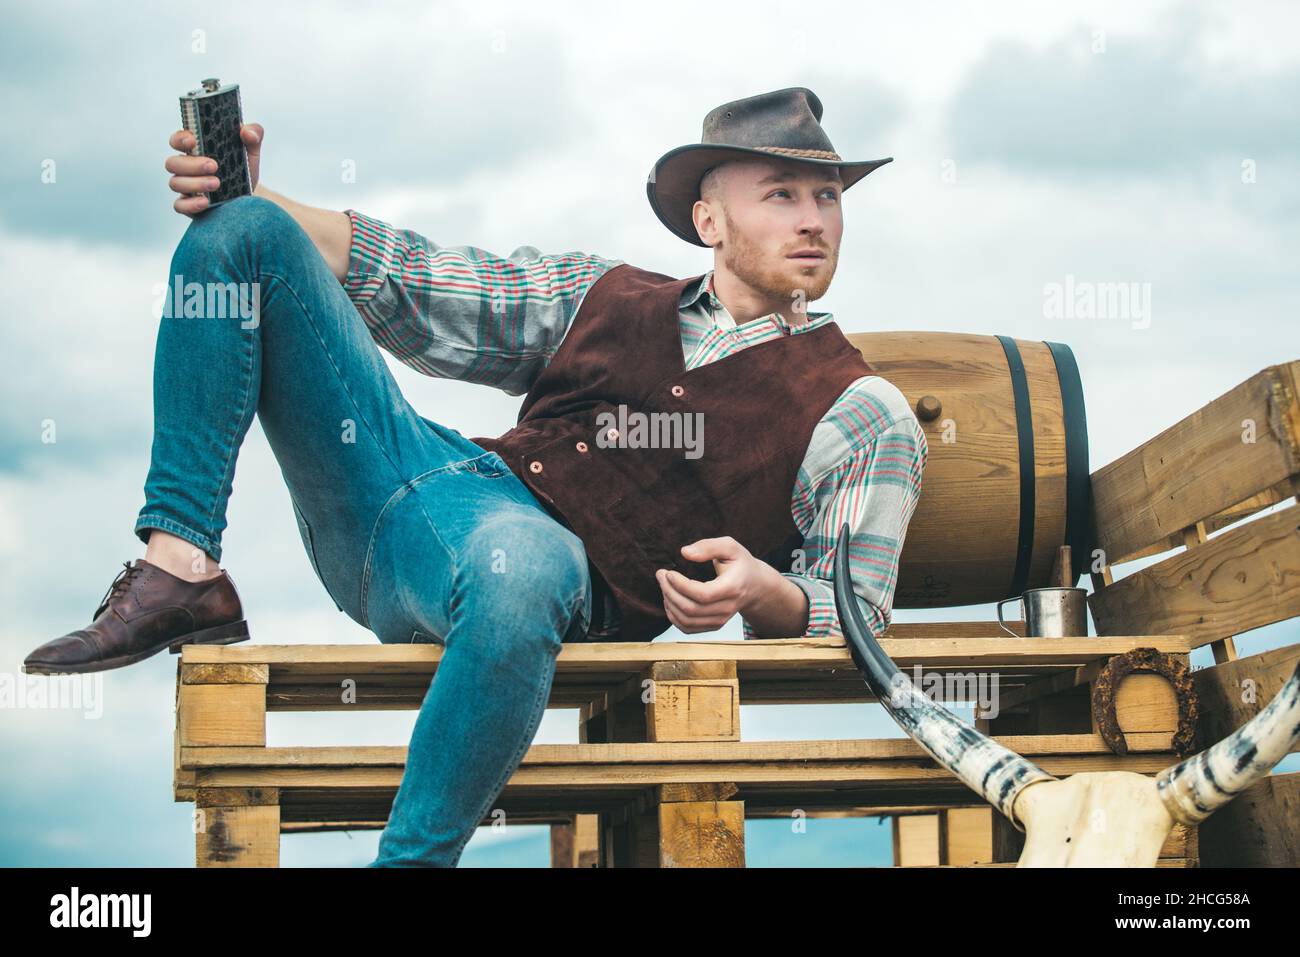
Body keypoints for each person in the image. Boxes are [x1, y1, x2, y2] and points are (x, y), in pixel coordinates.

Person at [22, 86, 926, 866]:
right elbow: (421, 278)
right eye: (781, 194)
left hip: (537, 576)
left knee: (521, 562)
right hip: (411, 480)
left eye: (827, 195)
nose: (813, 218)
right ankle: (181, 569)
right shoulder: (602, 293)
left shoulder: (860, 408)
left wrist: (766, 591)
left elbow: (858, 616)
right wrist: (259, 195)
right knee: (243, 231)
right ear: (710, 220)